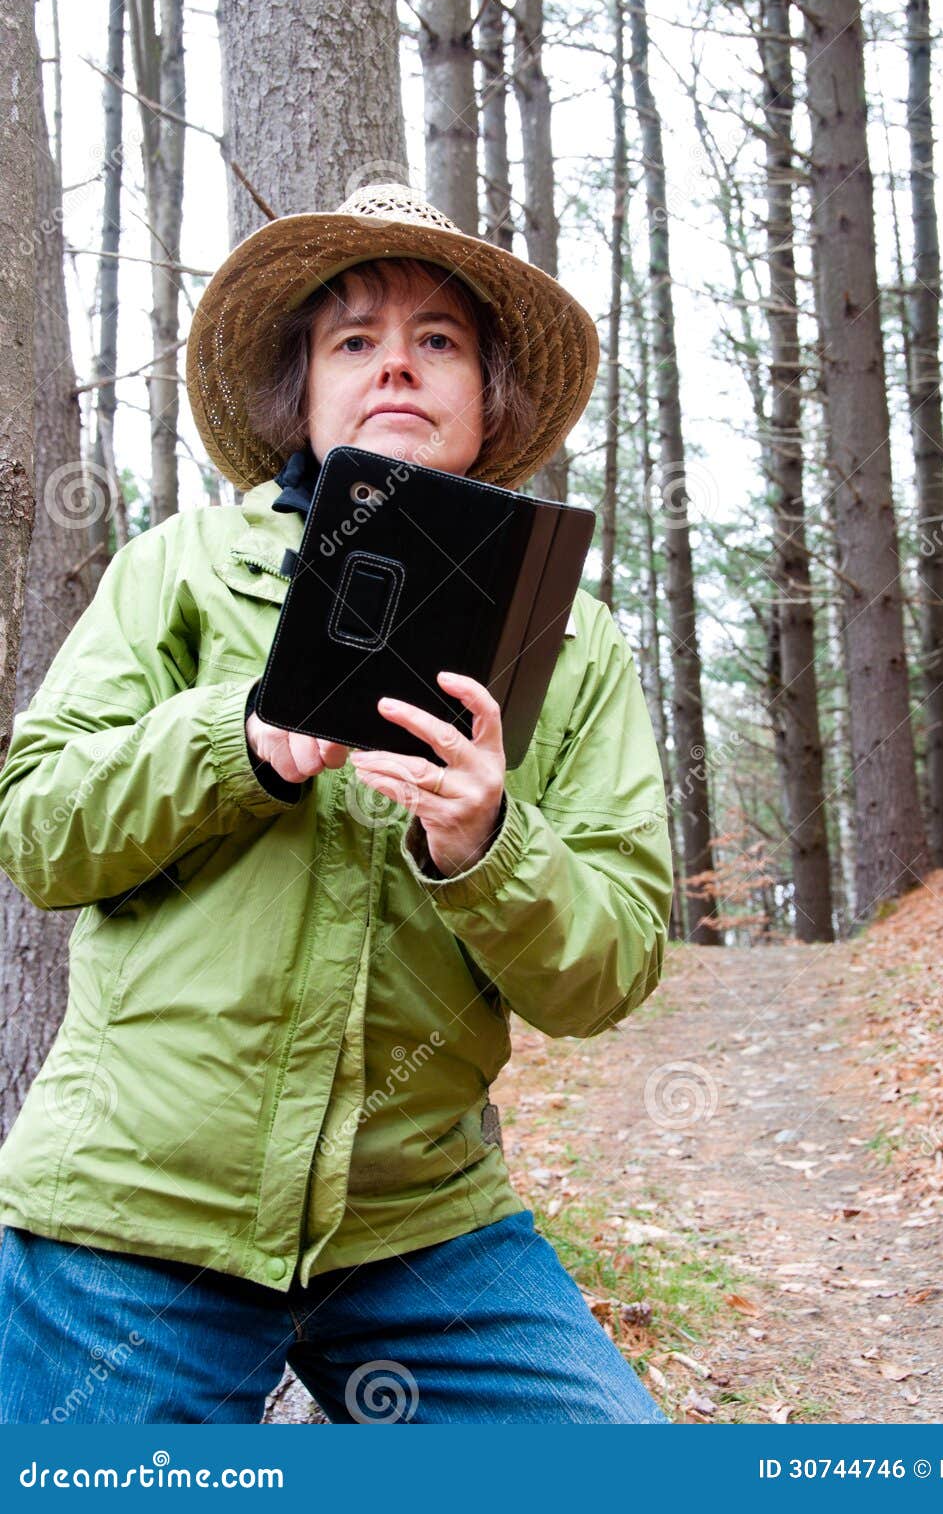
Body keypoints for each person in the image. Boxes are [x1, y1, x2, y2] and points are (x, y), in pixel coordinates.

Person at [0, 185, 674, 1424]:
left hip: (418, 1225)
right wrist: (238, 742)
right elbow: (38, 829)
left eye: (438, 340)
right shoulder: (179, 568)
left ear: (491, 394)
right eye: (353, 340)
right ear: (303, 392)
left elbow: (612, 964)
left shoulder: (569, 643)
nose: (395, 368)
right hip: (136, 1207)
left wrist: (487, 842)